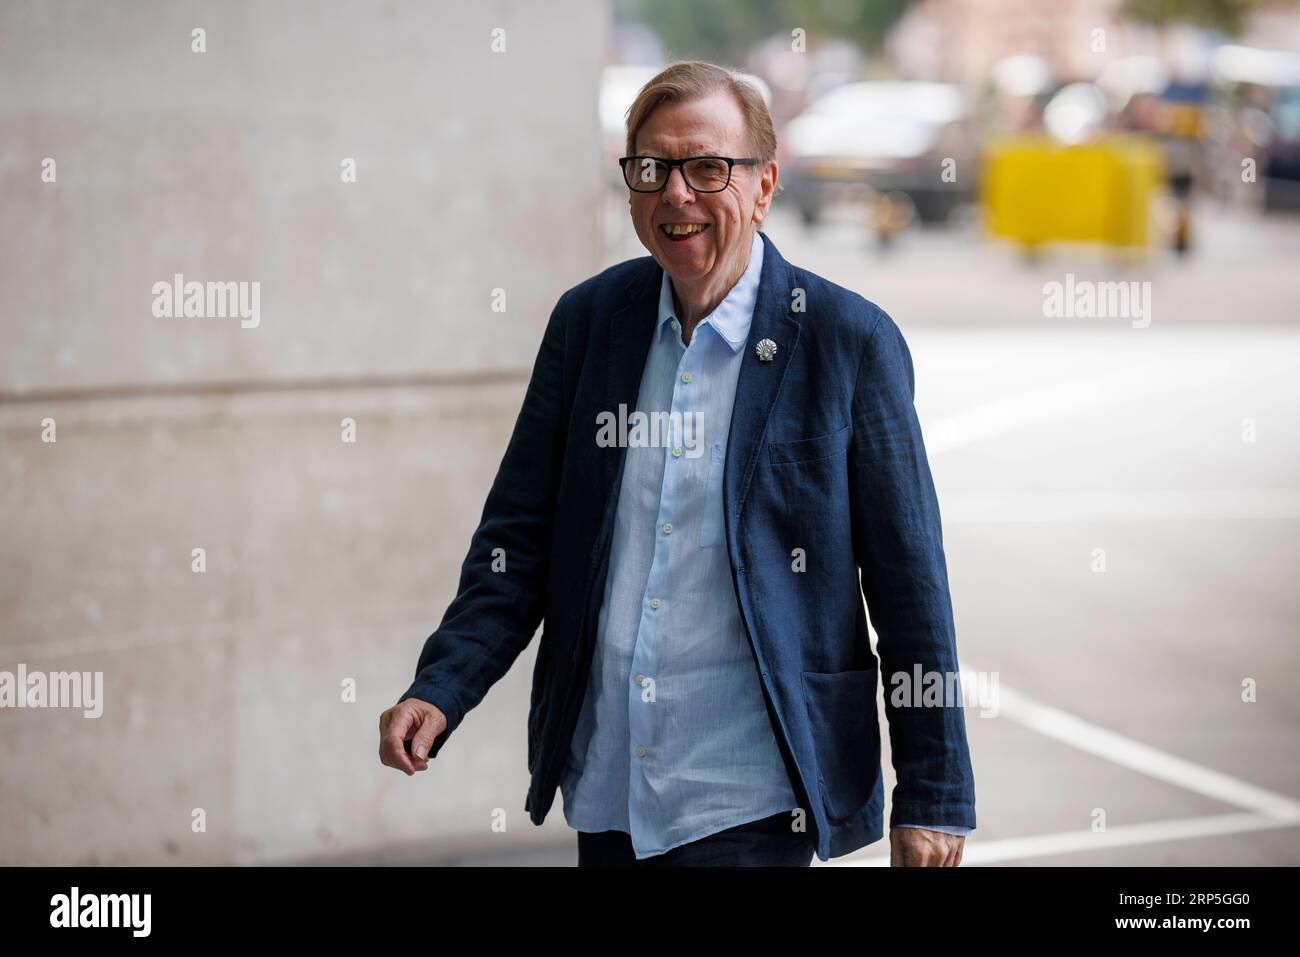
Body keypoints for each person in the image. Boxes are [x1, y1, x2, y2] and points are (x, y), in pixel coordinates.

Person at [379, 61, 975, 867]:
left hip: (754, 796)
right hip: (610, 782)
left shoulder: (847, 342)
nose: (676, 195)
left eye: (706, 167)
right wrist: (442, 684)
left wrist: (934, 789)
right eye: (652, 168)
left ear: (763, 185)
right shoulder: (591, 323)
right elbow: (519, 539)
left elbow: (911, 585)